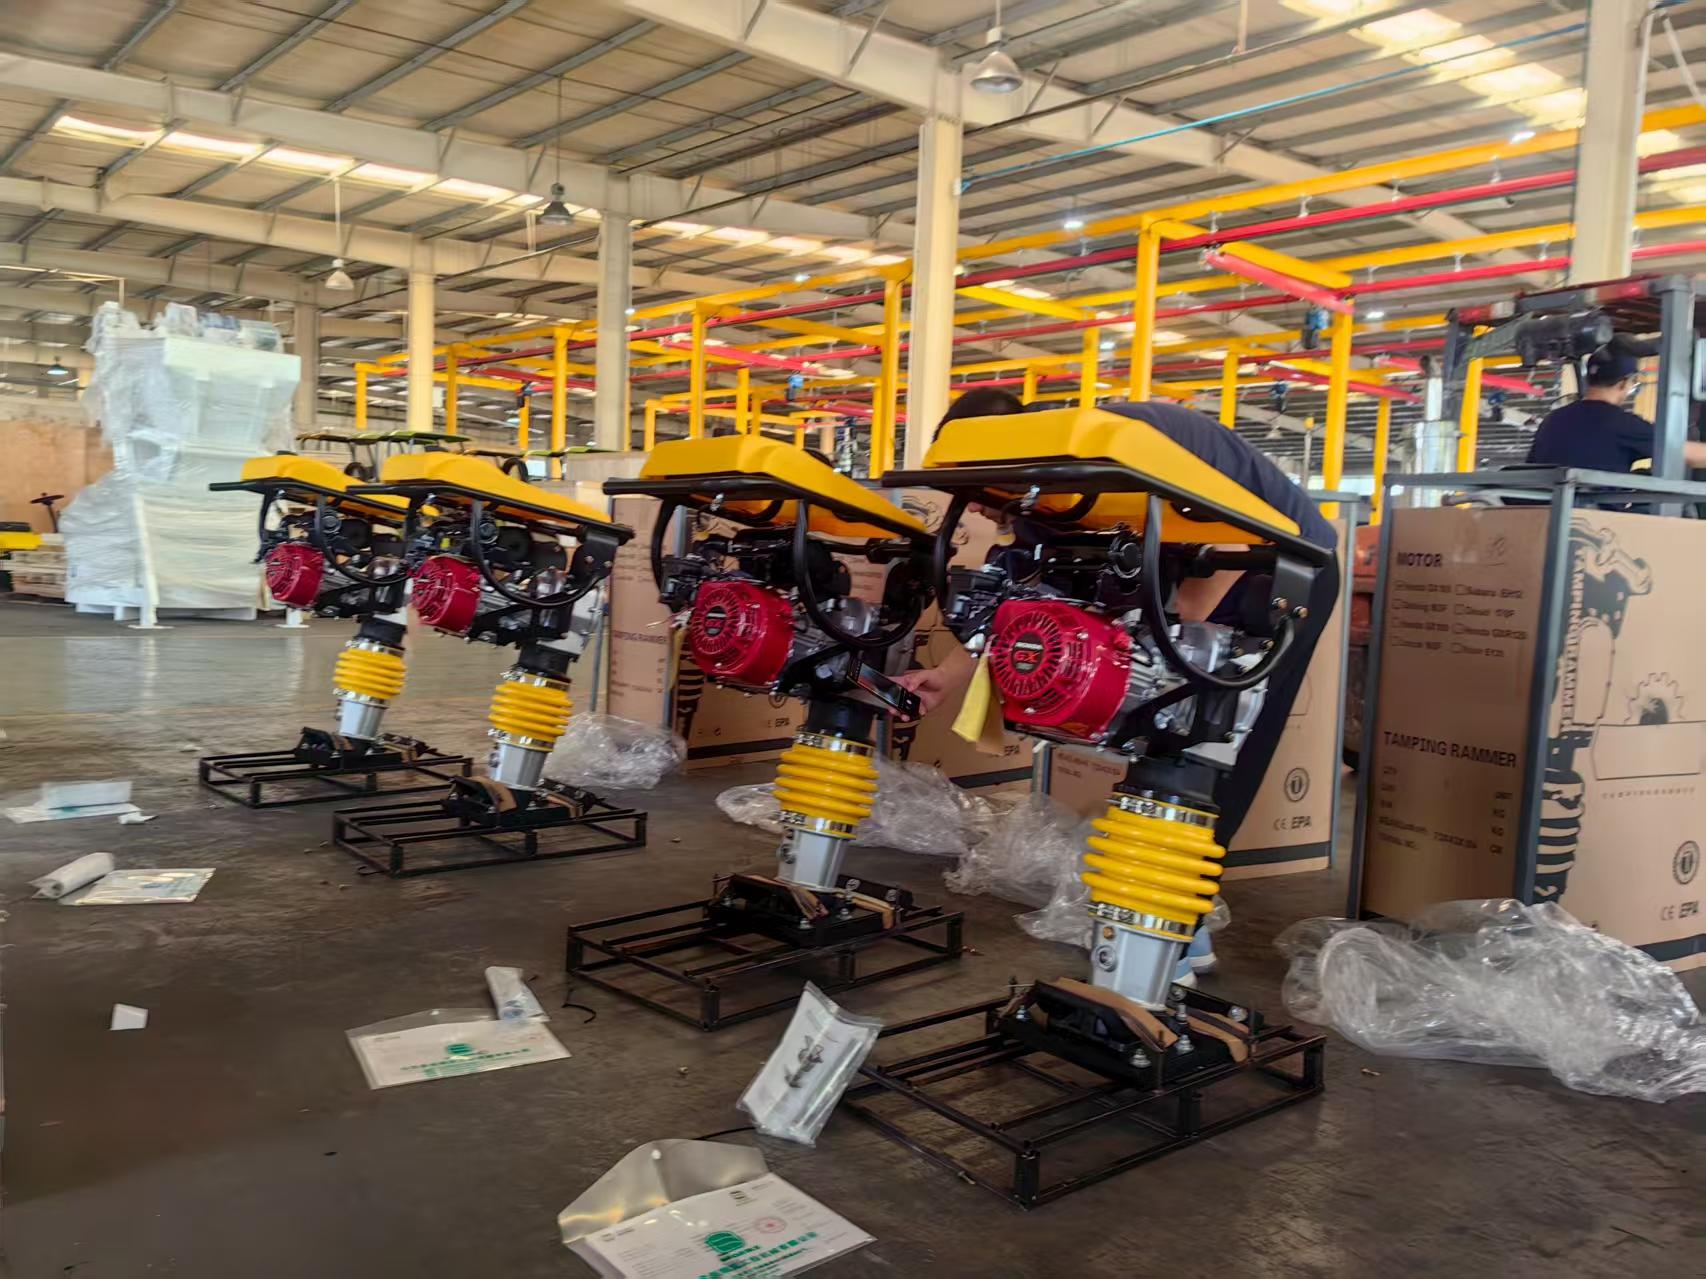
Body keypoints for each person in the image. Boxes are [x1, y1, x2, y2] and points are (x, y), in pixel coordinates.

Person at [896, 390, 1341, 984]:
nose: (975, 509)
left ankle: (1173, 931)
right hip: (1192, 559)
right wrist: (946, 676)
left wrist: (1173, 651)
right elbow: (1020, 602)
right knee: (1159, 741)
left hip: (1279, 560)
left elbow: (1229, 544)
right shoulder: (1041, 497)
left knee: (1208, 747)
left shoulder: (1122, 447)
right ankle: (1167, 923)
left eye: (976, 491)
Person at [1526, 347, 1706, 471]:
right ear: (1624, 383)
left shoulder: (1553, 419)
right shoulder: (1622, 424)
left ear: (1588, 380)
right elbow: (1689, 455)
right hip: (1591, 513)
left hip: (1541, 509)